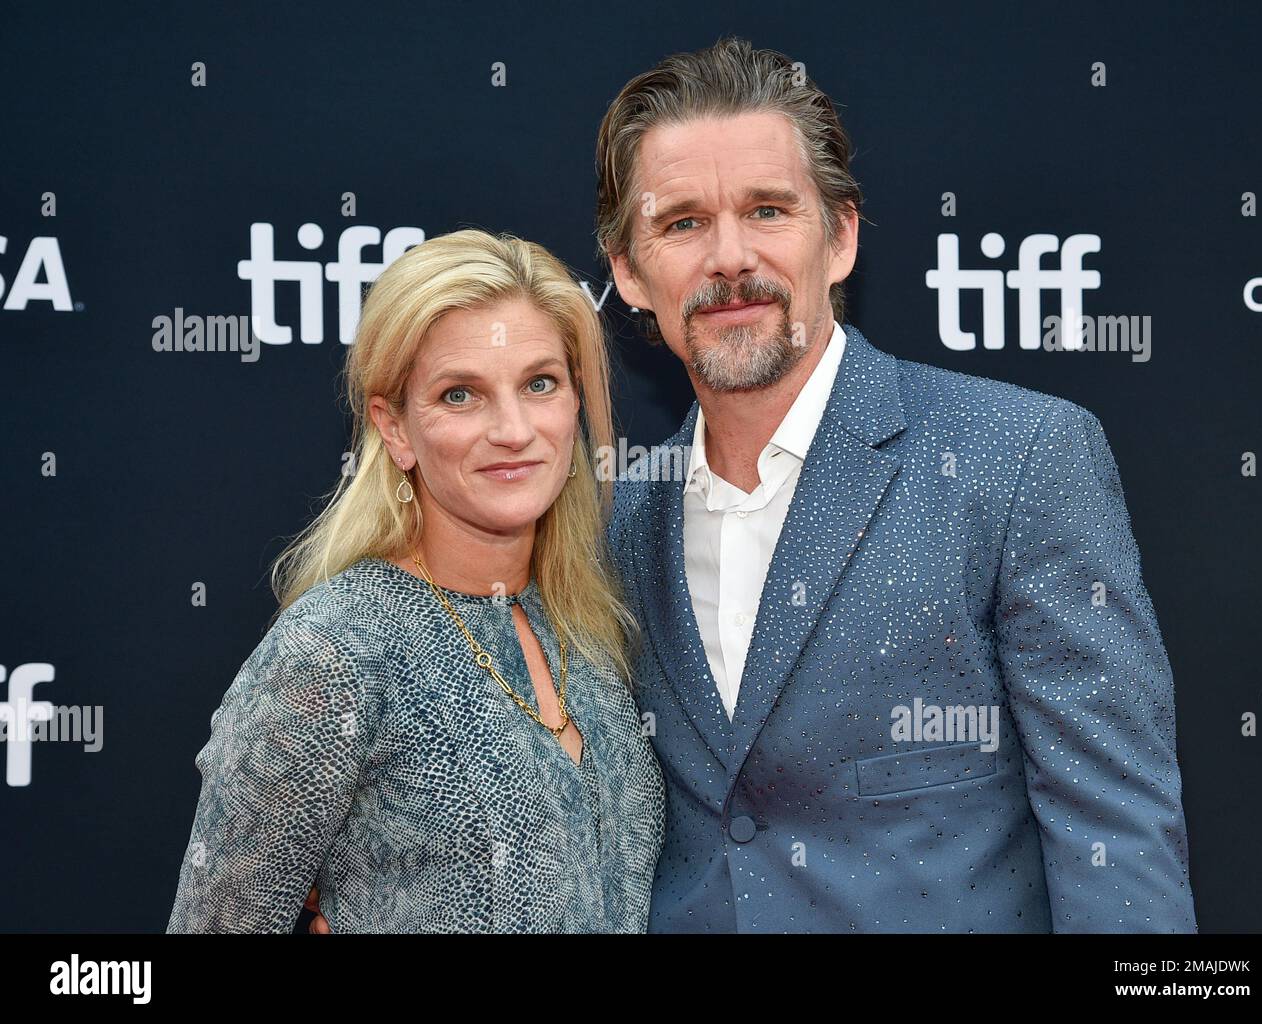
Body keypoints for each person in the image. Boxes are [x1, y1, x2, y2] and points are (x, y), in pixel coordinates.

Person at [590, 37, 1196, 932]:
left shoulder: (1020, 459)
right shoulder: (612, 526)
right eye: (681, 223)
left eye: (767, 210)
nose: (728, 258)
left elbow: (1117, 838)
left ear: (840, 237)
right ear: (628, 272)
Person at [167, 229, 664, 933]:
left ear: (575, 403)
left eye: (540, 383)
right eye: (460, 395)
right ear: (394, 428)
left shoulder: (585, 628)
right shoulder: (336, 654)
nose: (514, 429)